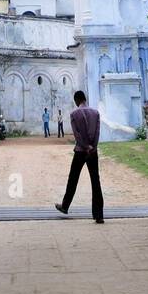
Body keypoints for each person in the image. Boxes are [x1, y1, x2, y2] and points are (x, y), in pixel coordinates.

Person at [55, 90, 104, 223]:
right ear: (85, 99)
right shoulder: (96, 113)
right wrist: (92, 146)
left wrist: (85, 146)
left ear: (77, 100)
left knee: (73, 178)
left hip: (80, 151)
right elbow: (98, 132)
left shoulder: (74, 114)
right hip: (93, 151)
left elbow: (77, 135)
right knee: (96, 181)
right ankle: (99, 214)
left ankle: (65, 206)